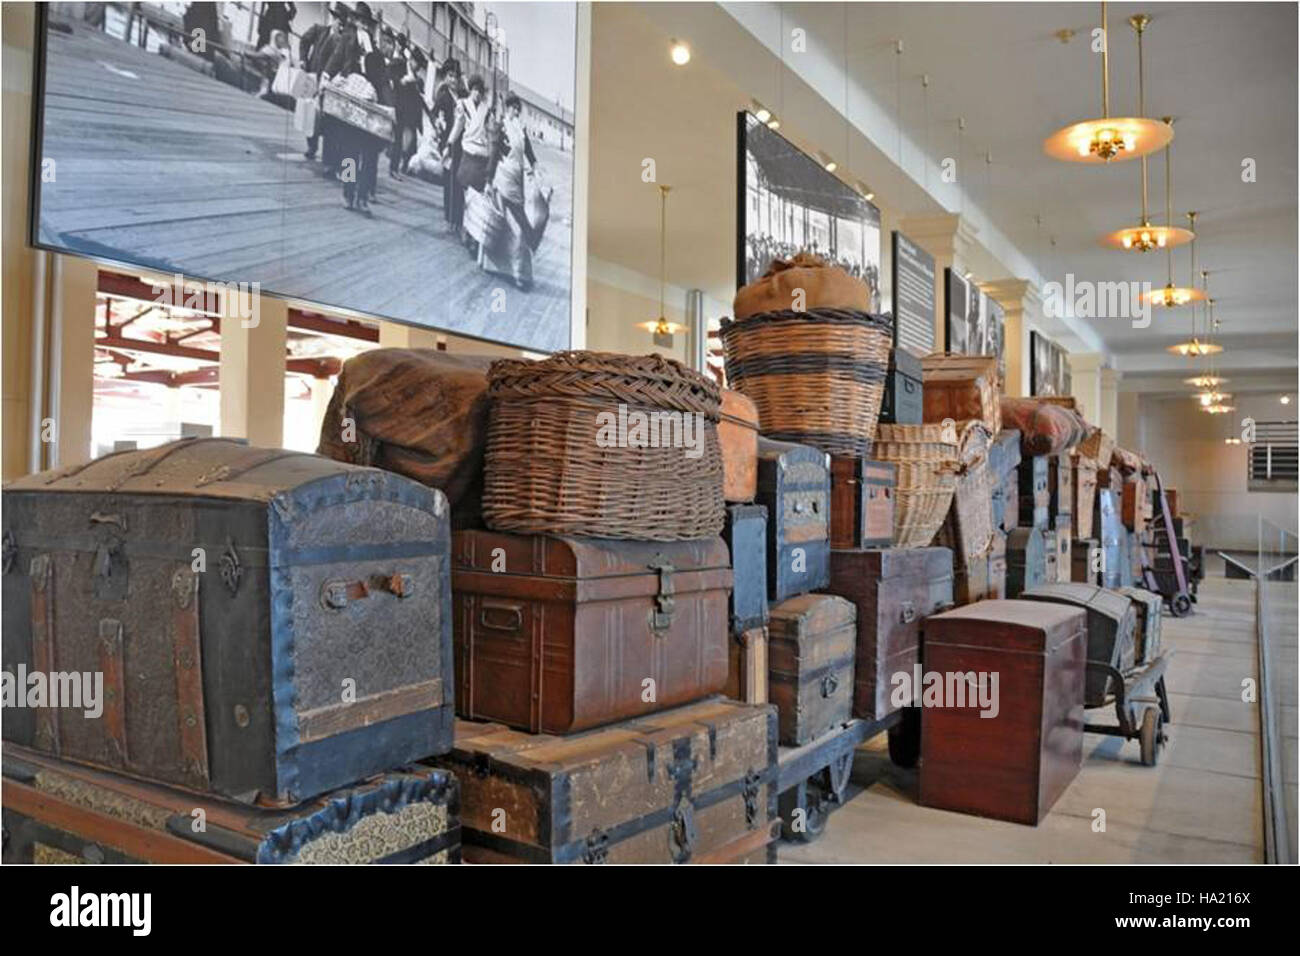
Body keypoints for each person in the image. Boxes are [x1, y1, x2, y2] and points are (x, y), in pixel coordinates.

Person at [449, 74, 493, 253]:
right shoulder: (462, 105)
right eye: (474, 90)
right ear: (470, 90)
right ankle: (465, 230)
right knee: (467, 196)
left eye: (479, 91)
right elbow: (458, 126)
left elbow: (490, 134)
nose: (476, 93)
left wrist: (493, 154)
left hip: (482, 155)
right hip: (468, 152)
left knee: (478, 199)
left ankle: (473, 233)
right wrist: (449, 143)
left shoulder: (486, 110)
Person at [433, 58, 463, 226]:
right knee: (449, 179)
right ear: (445, 76)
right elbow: (435, 114)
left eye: (456, 76)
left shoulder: (460, 96)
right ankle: (450, 217)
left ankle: (457, 216)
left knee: (457, 178)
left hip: (459, 142)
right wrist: (439, 127)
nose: (453, 80)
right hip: (447, 142)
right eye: (450, 76)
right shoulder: (443, 96)